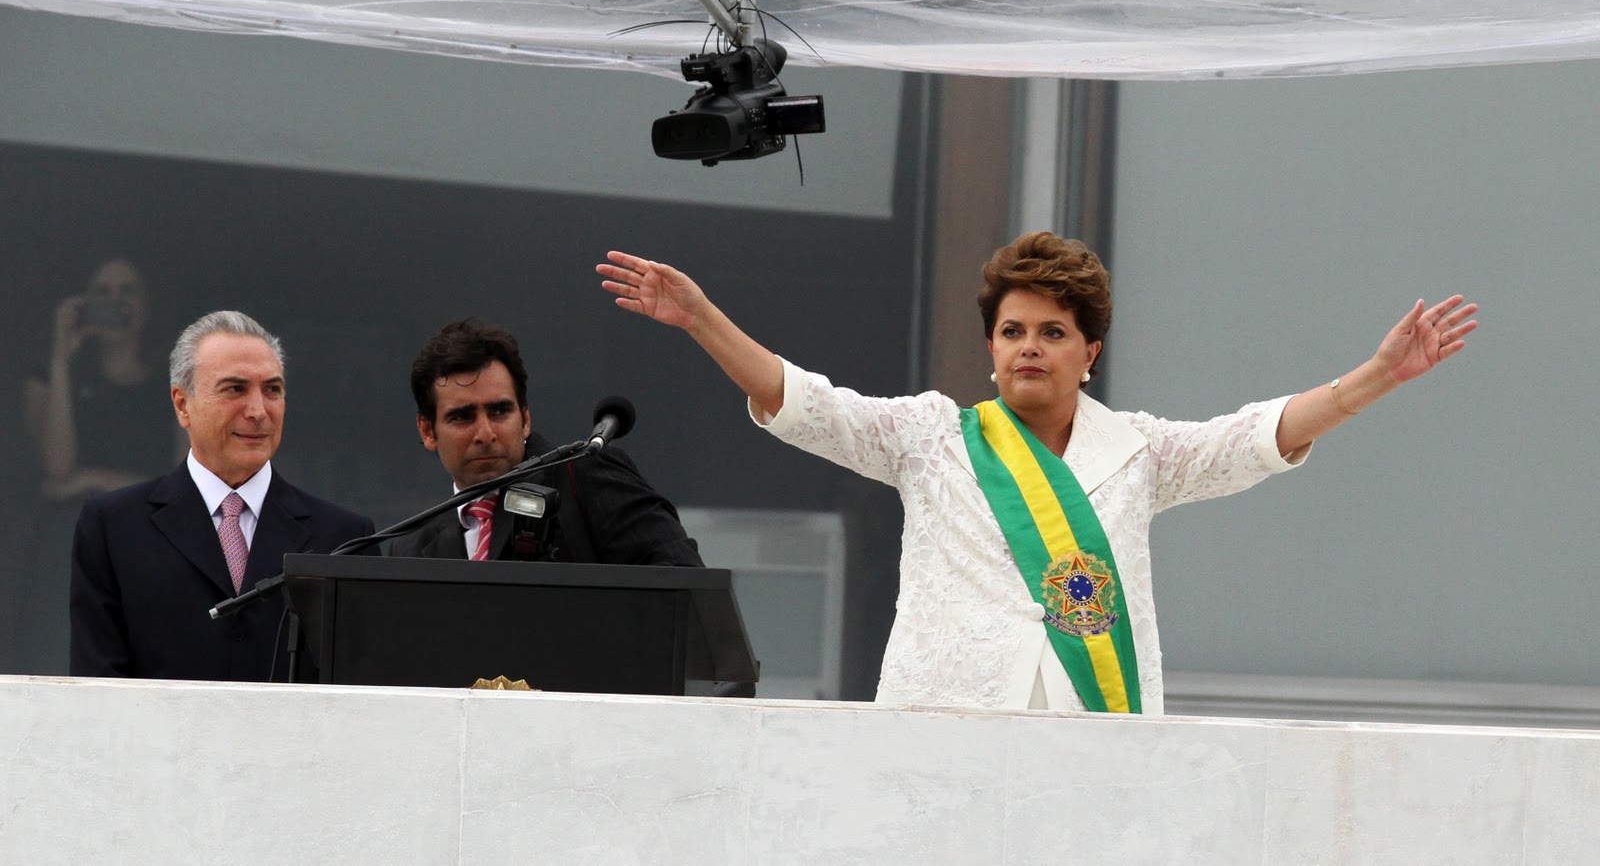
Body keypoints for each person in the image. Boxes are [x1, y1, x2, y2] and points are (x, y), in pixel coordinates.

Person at [596, 232, 1478, 714]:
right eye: (1014, 330)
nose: (1030, 347)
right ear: (990, 348)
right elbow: (805, 401)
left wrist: (1377, 377)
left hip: (1089, 731)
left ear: (1088, 352)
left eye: (1053, 332)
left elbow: (1255, 438)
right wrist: (704, 318)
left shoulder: (1137, 449)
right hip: (944, 723)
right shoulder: (931, 435)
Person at [69, 310, 375, 681]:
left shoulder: (344, 537)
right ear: (183, 405)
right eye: (235, 389)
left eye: (272, 390)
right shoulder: (113, 526)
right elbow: (96, 683)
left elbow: (359, 690)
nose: (259, 411)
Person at [384, 318, 702, 567]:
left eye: (499, 411)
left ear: (525, 419)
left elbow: (682, 586)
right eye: (463, 417)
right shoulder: (410, 545)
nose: (485, 433)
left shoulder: (584, 477)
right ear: (427, 431)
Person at [15, 258, 175, 672]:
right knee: (55, 664)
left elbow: (184, 489)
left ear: (148, 304)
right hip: (68, 546)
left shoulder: (175, 384)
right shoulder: (47, 378)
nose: (114, 302)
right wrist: (60, 358)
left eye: (127, 291)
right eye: (102, 293)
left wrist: (93, 478)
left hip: (145, 543)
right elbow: (57, 465)